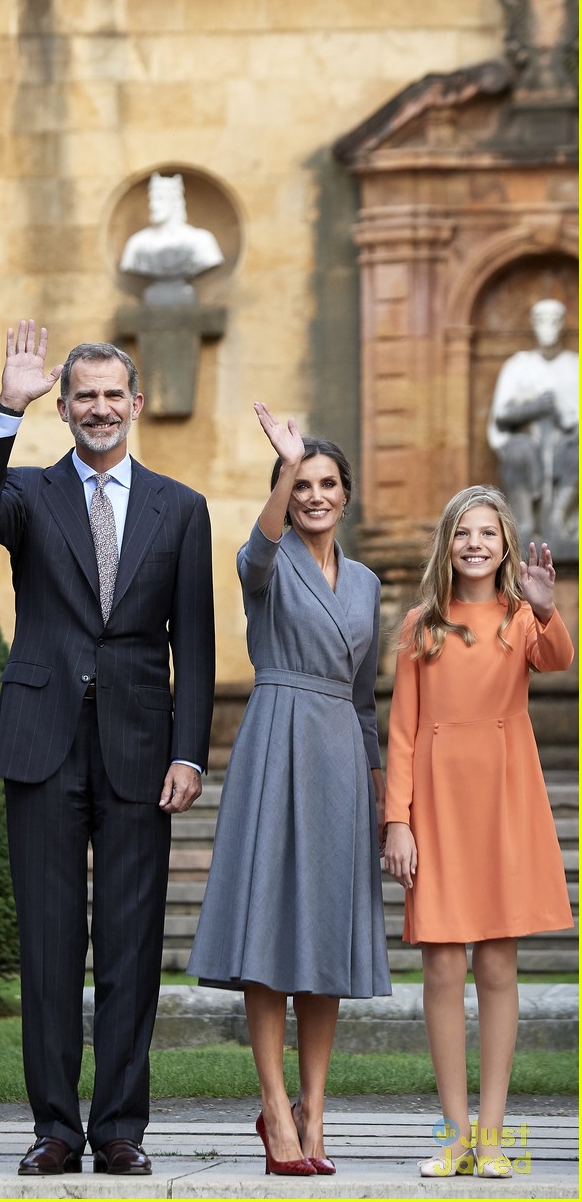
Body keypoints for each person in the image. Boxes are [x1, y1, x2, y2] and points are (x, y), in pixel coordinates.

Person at [0, 320, 215, 1176]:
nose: (99, 408)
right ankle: (56, 1129)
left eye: (113, 395)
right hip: (43, 742)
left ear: (136, 405)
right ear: (62, 408)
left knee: (133, 944)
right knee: (50, 945)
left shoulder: (182, 507)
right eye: (84, 396)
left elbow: (198, 645)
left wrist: (189, 752)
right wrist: (4, 408)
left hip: (142, 747)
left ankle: (120, 1129)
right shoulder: (28, 494)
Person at [188, 405, 390, 1176]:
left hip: (340, 752)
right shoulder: (267, 564)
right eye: (299, 483)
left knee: (323, 940)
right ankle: (273, 1107)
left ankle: (314, 1109)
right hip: (275, 738)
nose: (312, 494)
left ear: (346, 494)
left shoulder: (368, 583)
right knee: (272, 932)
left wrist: (376, 788)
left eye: (324, 482)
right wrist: (281, 459)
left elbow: (367, 696)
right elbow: (255, 554)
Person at [383, 485, 573, 1179]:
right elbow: (401, 732)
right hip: (435, 805)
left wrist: (548, 607)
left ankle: (491, 1137)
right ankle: (454, 1132)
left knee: (496, 962)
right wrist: (396, 822)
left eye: (486, 534)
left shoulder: (522, 619)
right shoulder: (419, 626)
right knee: (439, 964)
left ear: (503, 544)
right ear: (446, 542)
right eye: (462, 532)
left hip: (501, 800)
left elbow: (557, 660)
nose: (473, 544)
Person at [487, 298, 578, 547]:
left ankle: (560, 518)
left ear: (562, 325)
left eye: (553, 320)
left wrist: (567, 423)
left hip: (566, 443)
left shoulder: (575, 366)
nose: (547, 326)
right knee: (518, 451)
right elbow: (502, 416)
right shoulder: (519, 366)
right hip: (527, 442)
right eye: (541, 320)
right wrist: (534, 408)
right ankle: (525, 522)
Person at [120, 172, 224, 282]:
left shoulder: (202, 240)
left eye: (160, 198)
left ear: (175, 201)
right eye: (151, 199)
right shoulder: (137, 243)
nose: (153, 205)